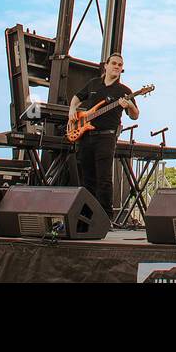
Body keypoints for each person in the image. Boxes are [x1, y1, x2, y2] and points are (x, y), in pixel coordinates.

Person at [69, 52, 139, 225]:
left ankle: (106, 218)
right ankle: (86, 217)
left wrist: (129, 105)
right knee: (87, 177)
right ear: (106, 66)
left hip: (106, 137)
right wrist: (72, 110)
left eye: (120, 65)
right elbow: (77, 98)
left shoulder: (124, 91)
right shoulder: (94, 84)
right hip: (86, 135)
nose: (116, 66)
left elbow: (135, 115)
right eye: (114, 63)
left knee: (104, 178)